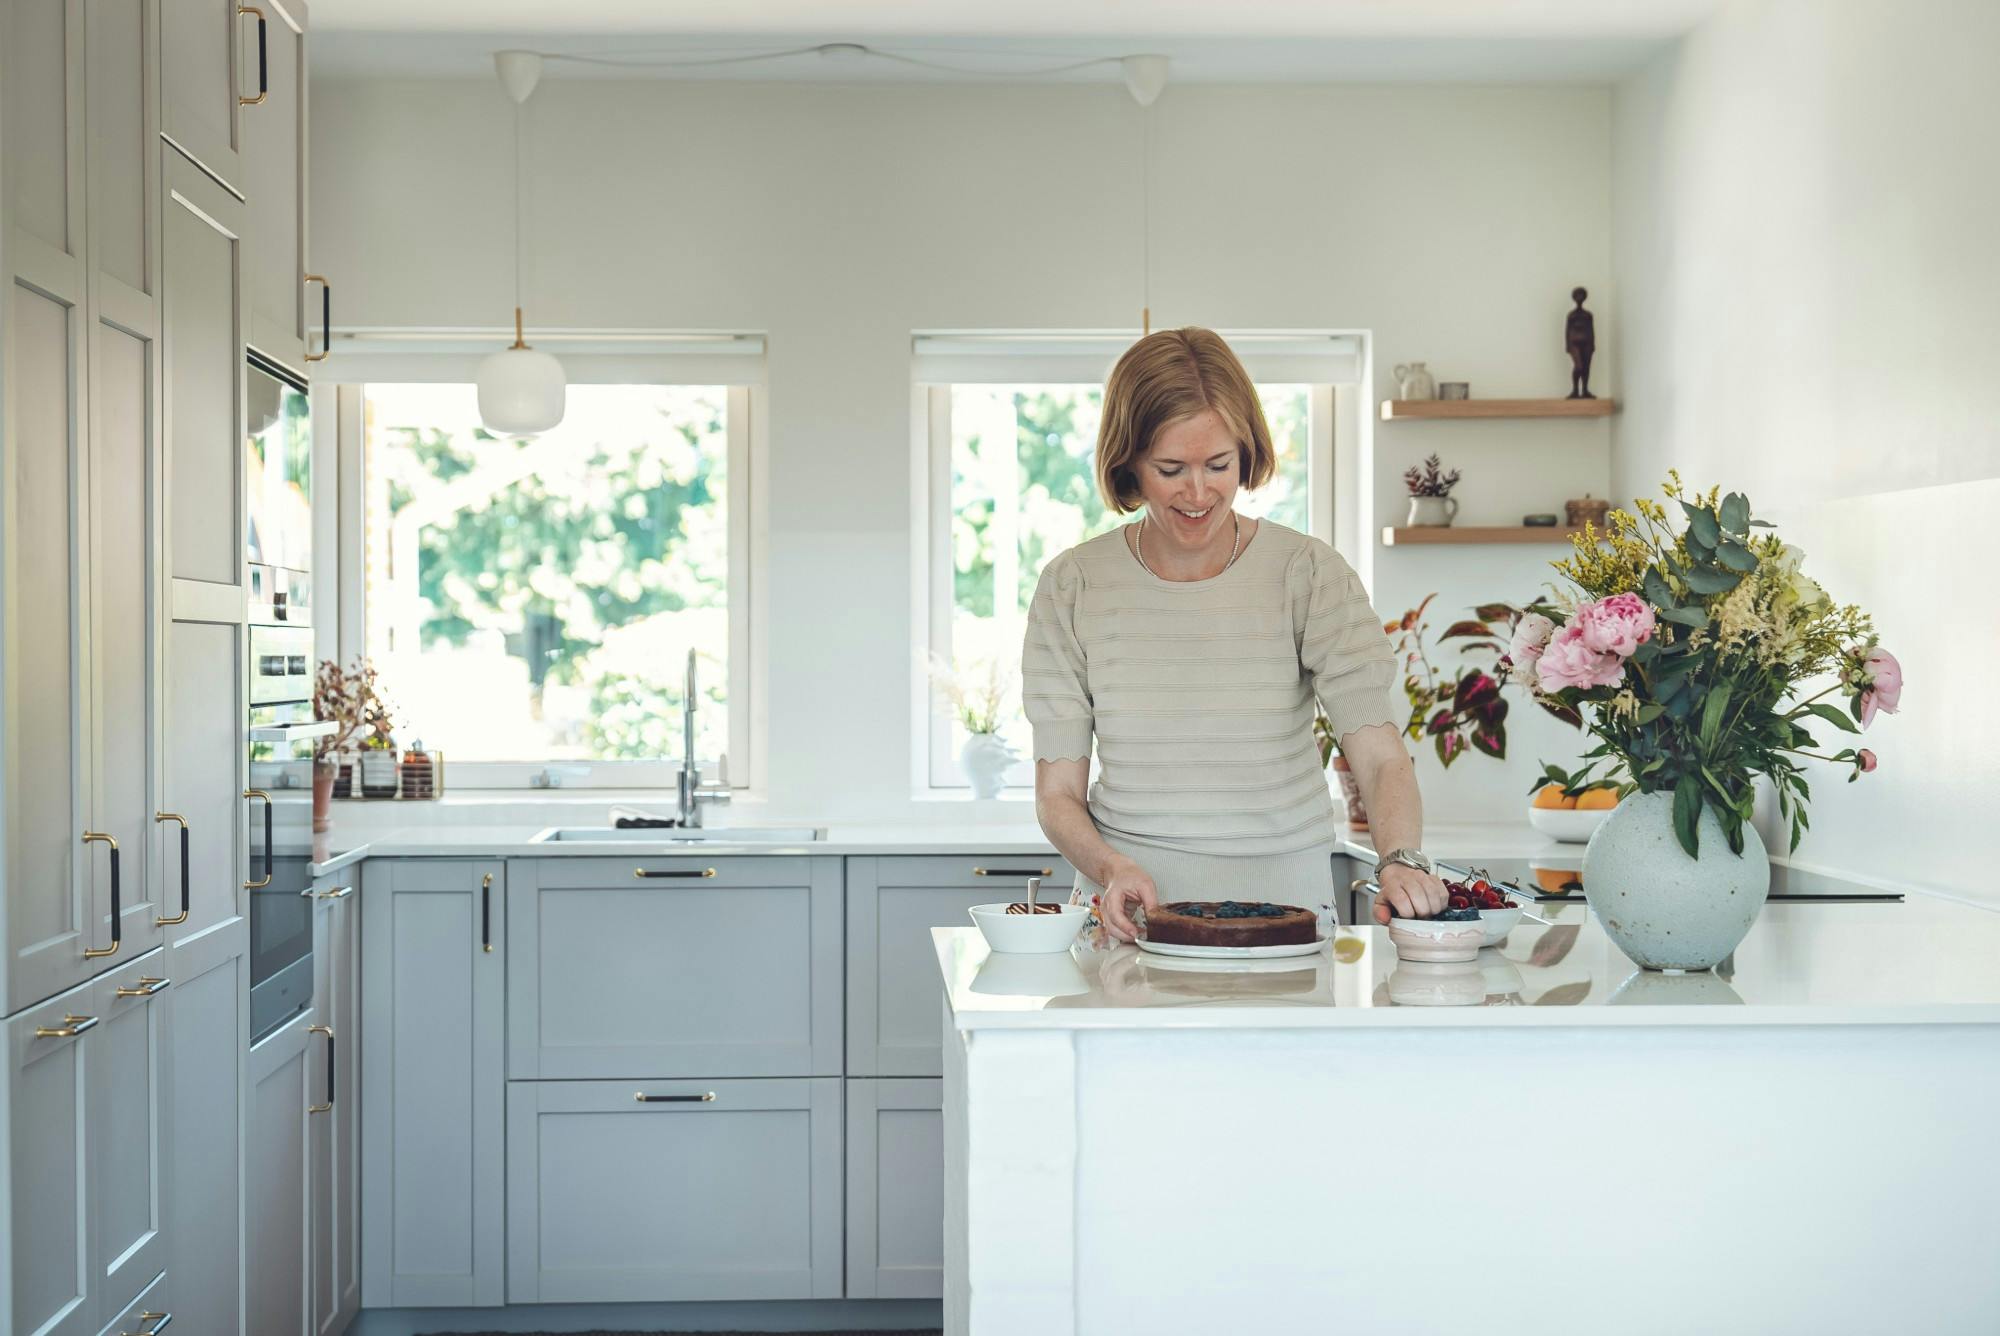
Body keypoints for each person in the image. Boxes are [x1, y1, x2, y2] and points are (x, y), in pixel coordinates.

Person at [1023, 327, 1448, 940]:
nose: (1199, 493)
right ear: (1129, 465)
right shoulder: (1073, 586)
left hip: (1285, 904)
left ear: (1246, 455)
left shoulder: (1310, 574)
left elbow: (1380, 758)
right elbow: (1057, 793)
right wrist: (1109, 865)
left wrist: (1401, 859)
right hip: (1130, 906)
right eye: (1170, 469)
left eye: (1218, 465)